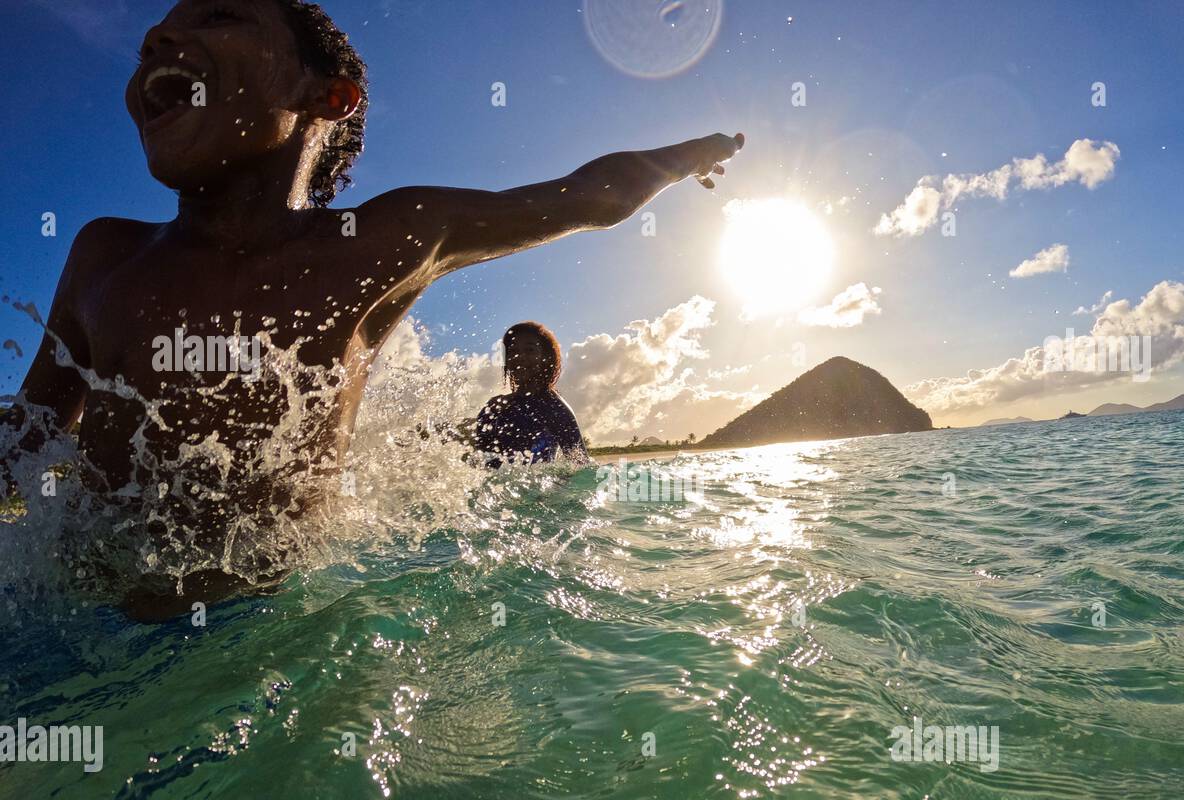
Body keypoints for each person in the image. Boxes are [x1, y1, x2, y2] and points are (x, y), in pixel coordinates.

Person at [1, 0, 742, 615]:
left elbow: (587, 196)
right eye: (152, 38)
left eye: (221, 16)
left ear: (328, 96)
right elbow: (22, 444)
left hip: (257, 632)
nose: (158, 39)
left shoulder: (376, 244)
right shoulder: (108, 257)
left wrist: (690, 154)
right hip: (82, 624)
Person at [473, 323, 587, 467]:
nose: (519, 357)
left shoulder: (556, 409)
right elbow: (479, 467)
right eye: (513, 350)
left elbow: (581, 468)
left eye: (530, 350)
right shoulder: (493, 408)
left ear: (546, 356)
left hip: (543, 488)